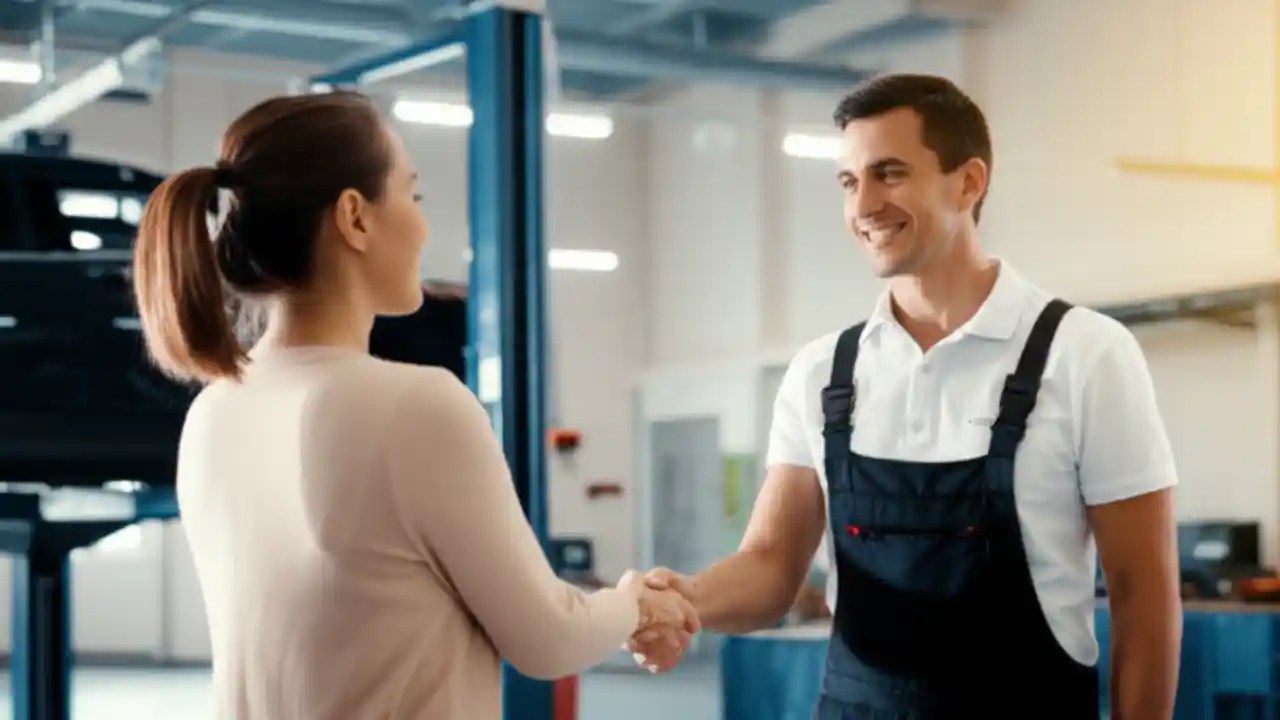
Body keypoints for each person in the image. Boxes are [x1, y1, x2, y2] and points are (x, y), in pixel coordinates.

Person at [130, 91, 698, 720]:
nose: (423, 225)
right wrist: (634, 602)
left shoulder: (213, 410)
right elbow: (548, 638)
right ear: (355, 217)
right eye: (413, 194)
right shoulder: (414, 405)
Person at [630, 73, 1182, 718]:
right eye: (847, 181)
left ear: (969, 182)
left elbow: (1143, 596)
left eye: (889, 173)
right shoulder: (822, 375)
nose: (863, 205)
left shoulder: (1085, 353)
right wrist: (685, 597)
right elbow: (772, 567)